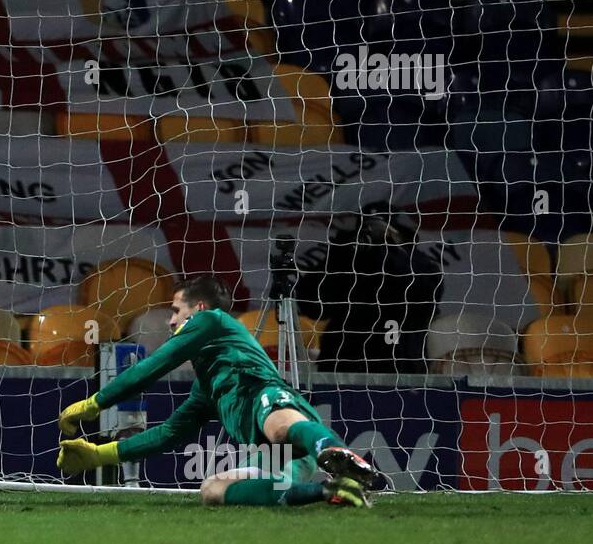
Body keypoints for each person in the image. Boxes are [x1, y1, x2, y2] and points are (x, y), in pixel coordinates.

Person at [57, 275, 377, 507]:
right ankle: (330, 491)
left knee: (278, 428)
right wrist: (100, 454)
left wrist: (96, 402)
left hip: (275, 405)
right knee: (212, 489)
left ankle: (339, 456)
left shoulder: (212, 320)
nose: (170, 321)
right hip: (283, 460)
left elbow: (157, 363)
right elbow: (169, 433)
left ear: (197, 308)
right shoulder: (207, 389)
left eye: (175, 310)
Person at [294, 206, 442, 375]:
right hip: (344, 369)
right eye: (368, 231)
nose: (376, 238)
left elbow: (422, 300)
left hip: (400, 368)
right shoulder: (347, 262)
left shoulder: (421, 266)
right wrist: (341, 254)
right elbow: (312, 306)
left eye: (384, 233)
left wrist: (388, 250)